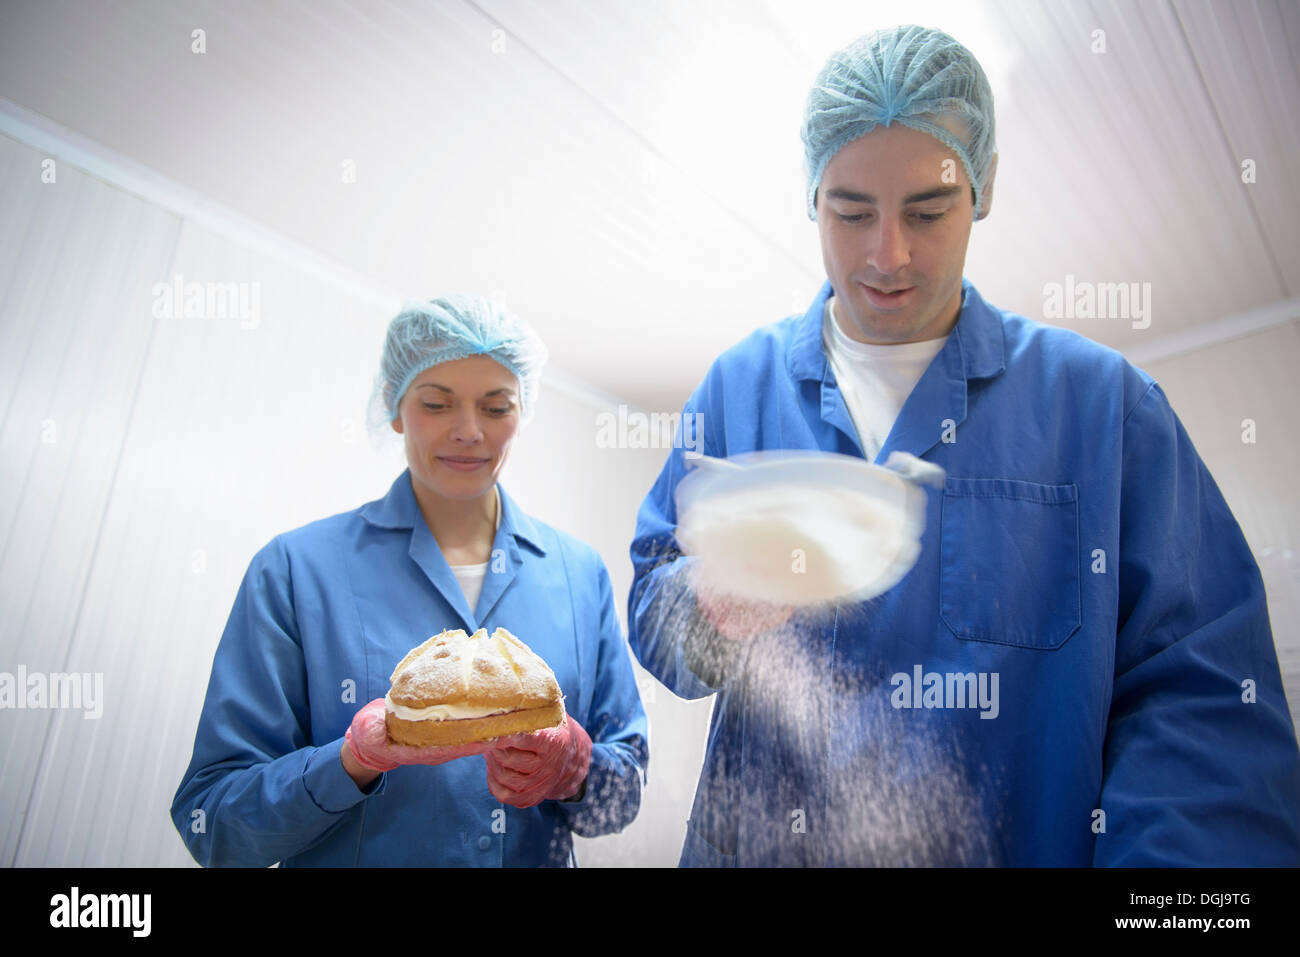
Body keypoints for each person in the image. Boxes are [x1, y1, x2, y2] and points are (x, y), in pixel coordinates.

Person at [627, 25, 1300, 866]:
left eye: (927, 209)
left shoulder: (1101, 409)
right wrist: (708, 605)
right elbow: (657, 617)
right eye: (851, 210)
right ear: (812, 199)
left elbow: (1203, 712)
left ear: (980, 190)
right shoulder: (738, 386)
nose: (887, 253)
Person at [172, 293, 648, 866]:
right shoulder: (297, 570)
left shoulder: (580, 575)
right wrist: (350, 762)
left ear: (522, 415)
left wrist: (573, 767)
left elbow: (621, 800)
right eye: (437, 403)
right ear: (395, 408)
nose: (470, 431)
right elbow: (214, 823)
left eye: (496, 407)